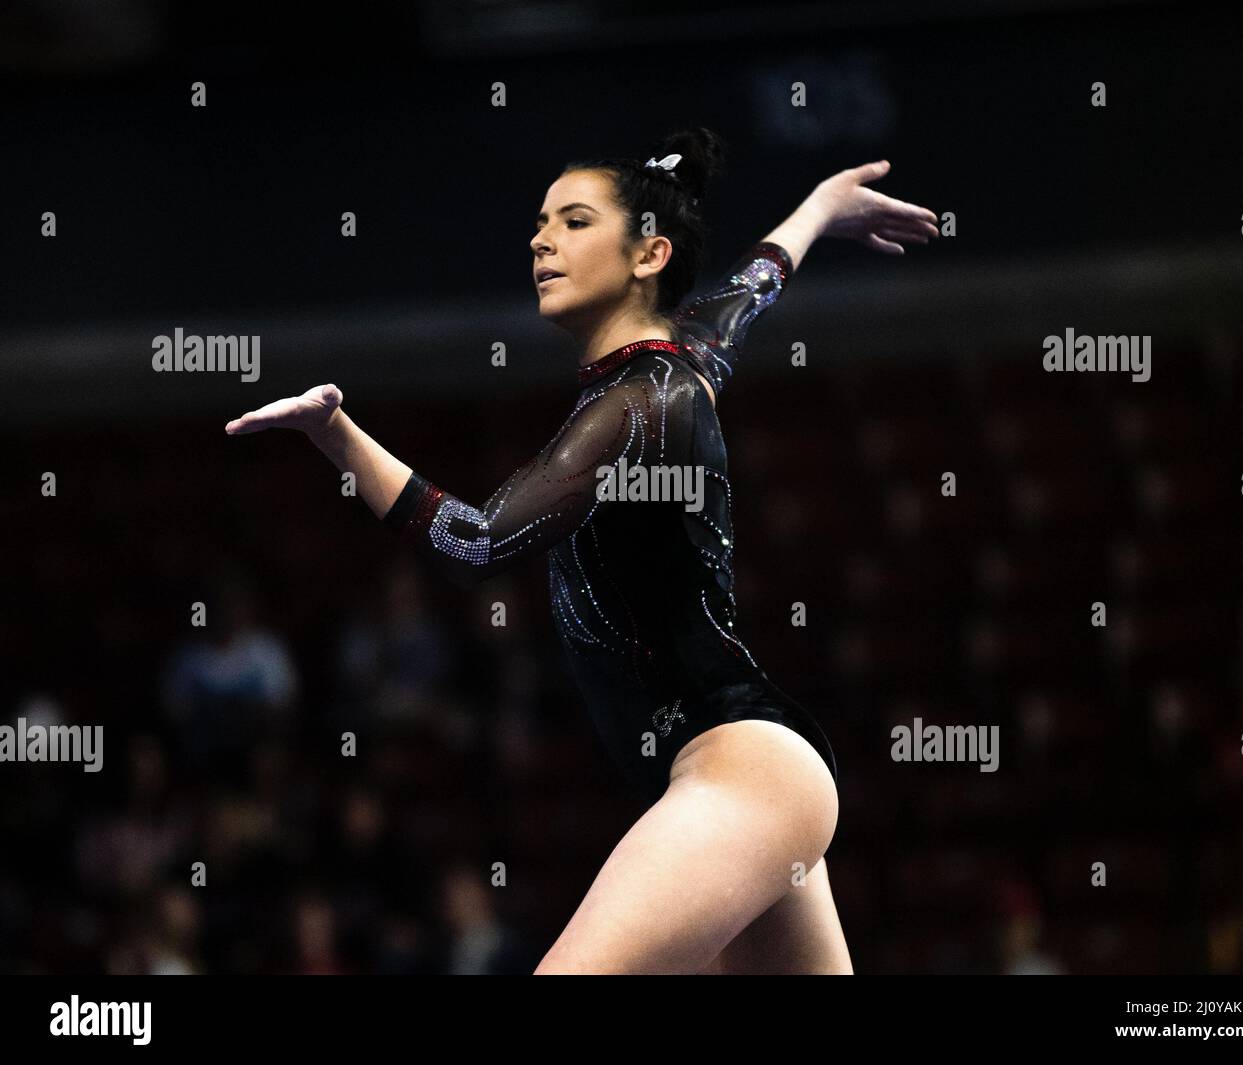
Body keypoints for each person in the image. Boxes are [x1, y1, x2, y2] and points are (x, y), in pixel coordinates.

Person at [225, 127, 937, 973]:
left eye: (572, 221)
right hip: (750, 782)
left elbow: (478, 541)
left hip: (739, 771)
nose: (540, 239)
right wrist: (820, 208)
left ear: (648, 254)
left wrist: (336, 432)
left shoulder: (641, 404)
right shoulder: (679, 368)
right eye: (538, 222)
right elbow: (753, 287)